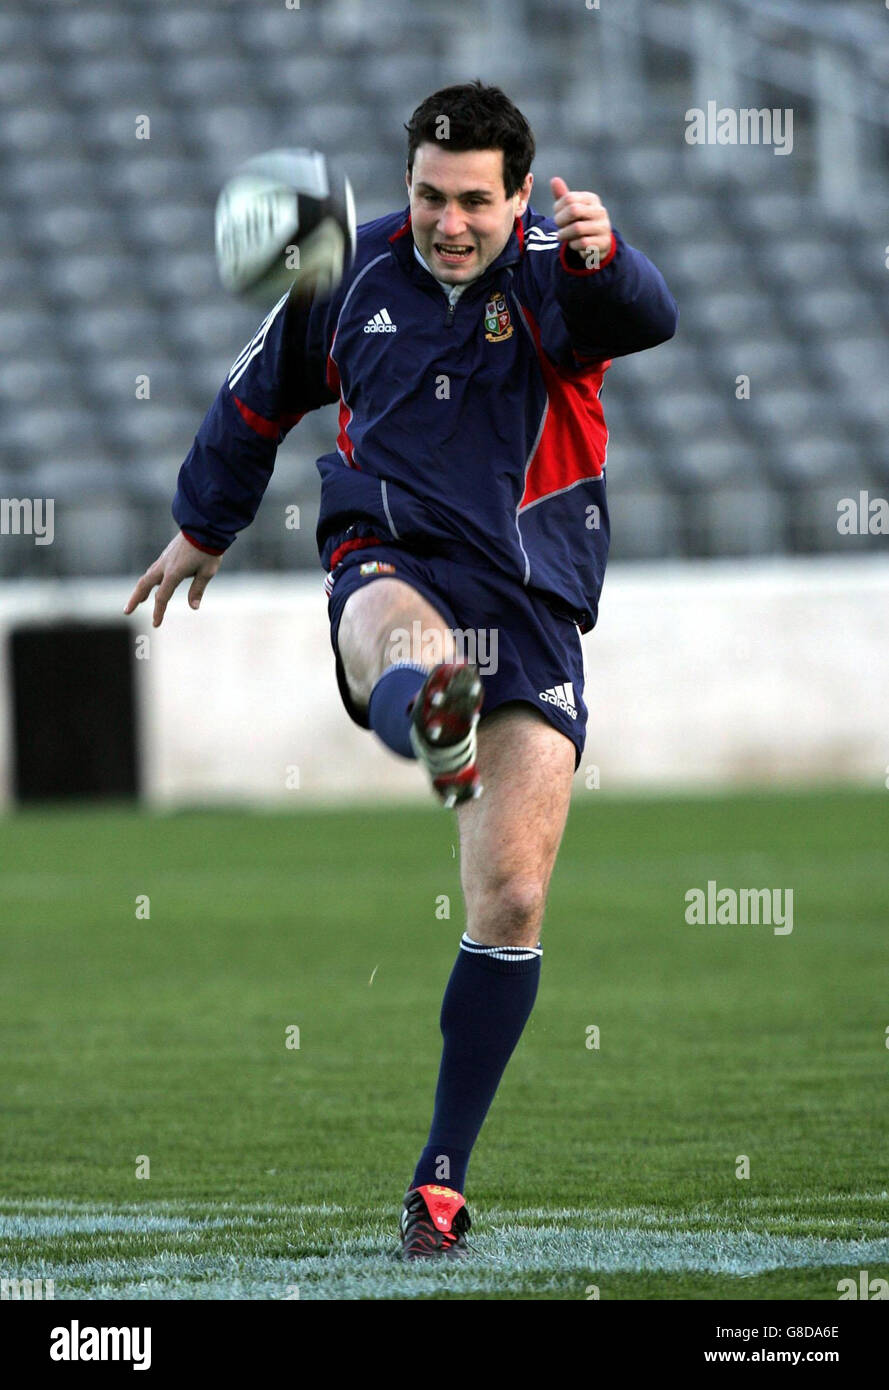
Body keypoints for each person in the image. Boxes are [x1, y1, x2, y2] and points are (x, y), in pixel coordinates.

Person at [125, 80, 678, 1260]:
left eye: (476, 200)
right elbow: (253, 399)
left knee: (514, 901)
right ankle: (428, 715)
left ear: (518, 194)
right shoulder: (350, 272)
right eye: (430, 195)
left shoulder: (552, 274)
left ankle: (439, 1178)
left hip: (531, 600)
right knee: (399, 636)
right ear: (408, 184)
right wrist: (202, 527)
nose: (449, 222)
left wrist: (606, 251)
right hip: (389, 552)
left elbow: (644, 315)